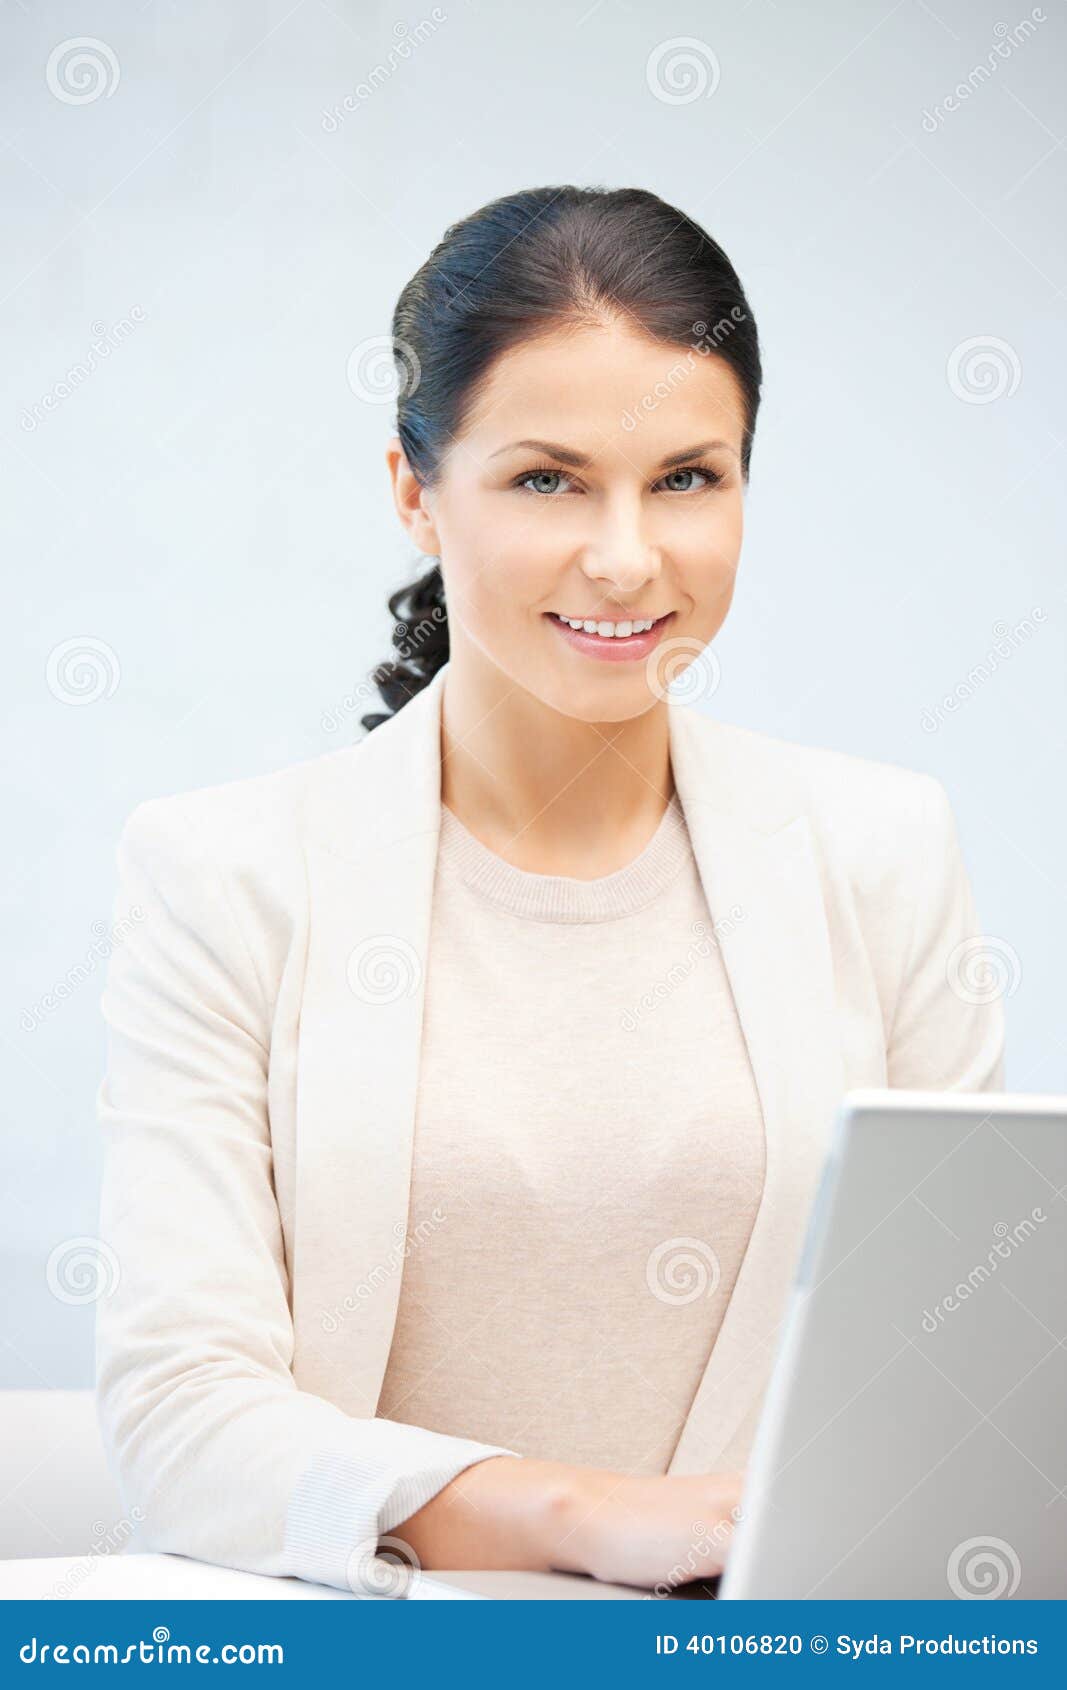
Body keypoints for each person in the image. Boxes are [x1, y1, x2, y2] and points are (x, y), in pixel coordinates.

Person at [95, 185, 1004, 1596]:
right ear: (414, 487)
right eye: (547, 479)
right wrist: (586, 1516)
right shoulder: (228, 875)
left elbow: (963, 1366)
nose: (629, 556)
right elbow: (182, 1418)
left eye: (689, 477)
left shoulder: (880, 849)